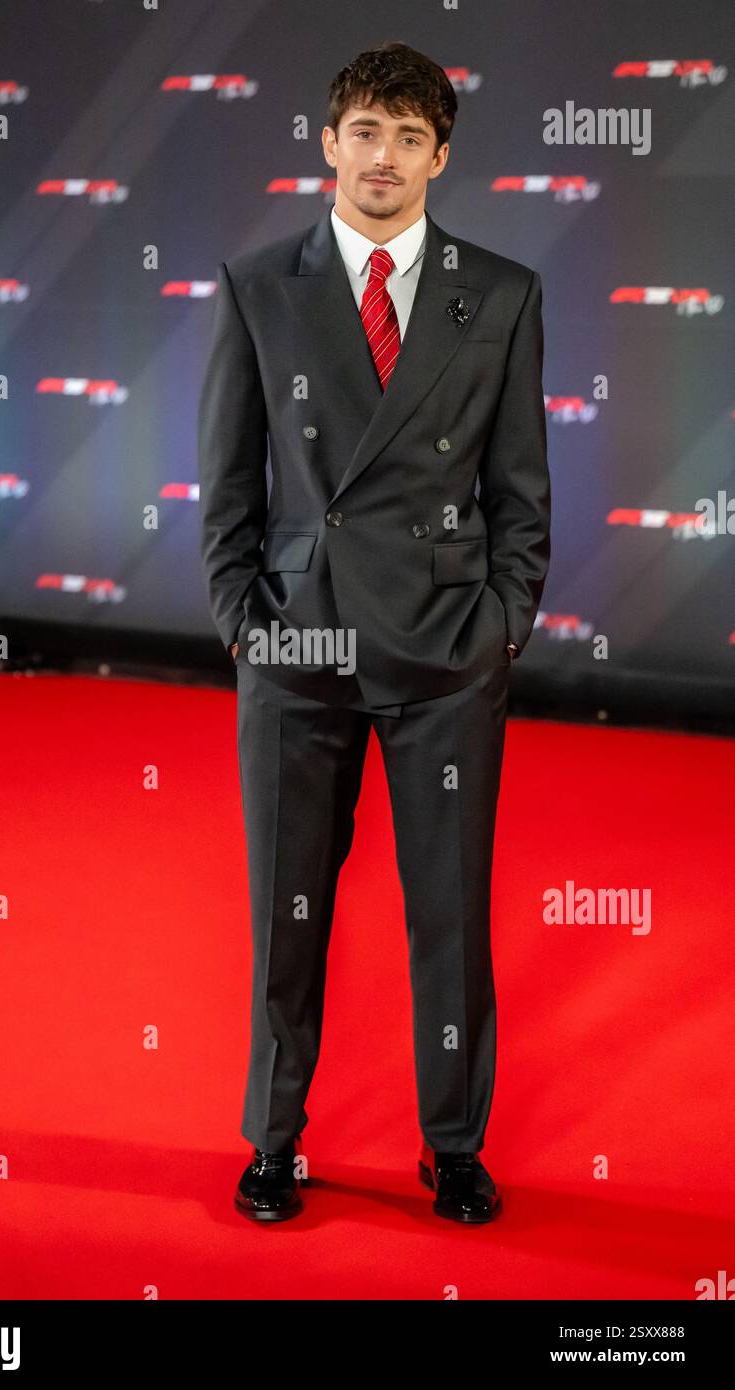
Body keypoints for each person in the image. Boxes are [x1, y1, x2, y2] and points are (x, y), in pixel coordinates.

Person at [198, 40, 550, 1223]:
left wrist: (500, 623)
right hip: (297, 649)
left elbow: (521, 490)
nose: (382, 157)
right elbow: (225, 491)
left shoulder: (498, 295)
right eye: (363, 131)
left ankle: (451, 1142)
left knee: (448, 910)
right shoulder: (258, 285)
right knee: (284, 912)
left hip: (447, 648)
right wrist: (244, 627)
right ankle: (272, 1137)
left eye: (408, 136)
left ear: (439, 156)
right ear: (326, 142)